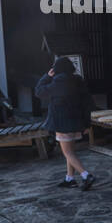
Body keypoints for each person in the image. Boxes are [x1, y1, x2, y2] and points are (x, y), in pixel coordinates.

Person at [35, 56, 94, 190]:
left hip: (62, 121)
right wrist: (87, 123)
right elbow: (87, 103)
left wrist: (46, 76)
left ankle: (86, 175)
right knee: (71, 151)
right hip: (77, 120)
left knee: (67, 152)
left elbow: (39, 91)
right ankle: (70, 178)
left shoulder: (58, 82)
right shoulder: (78, 81)